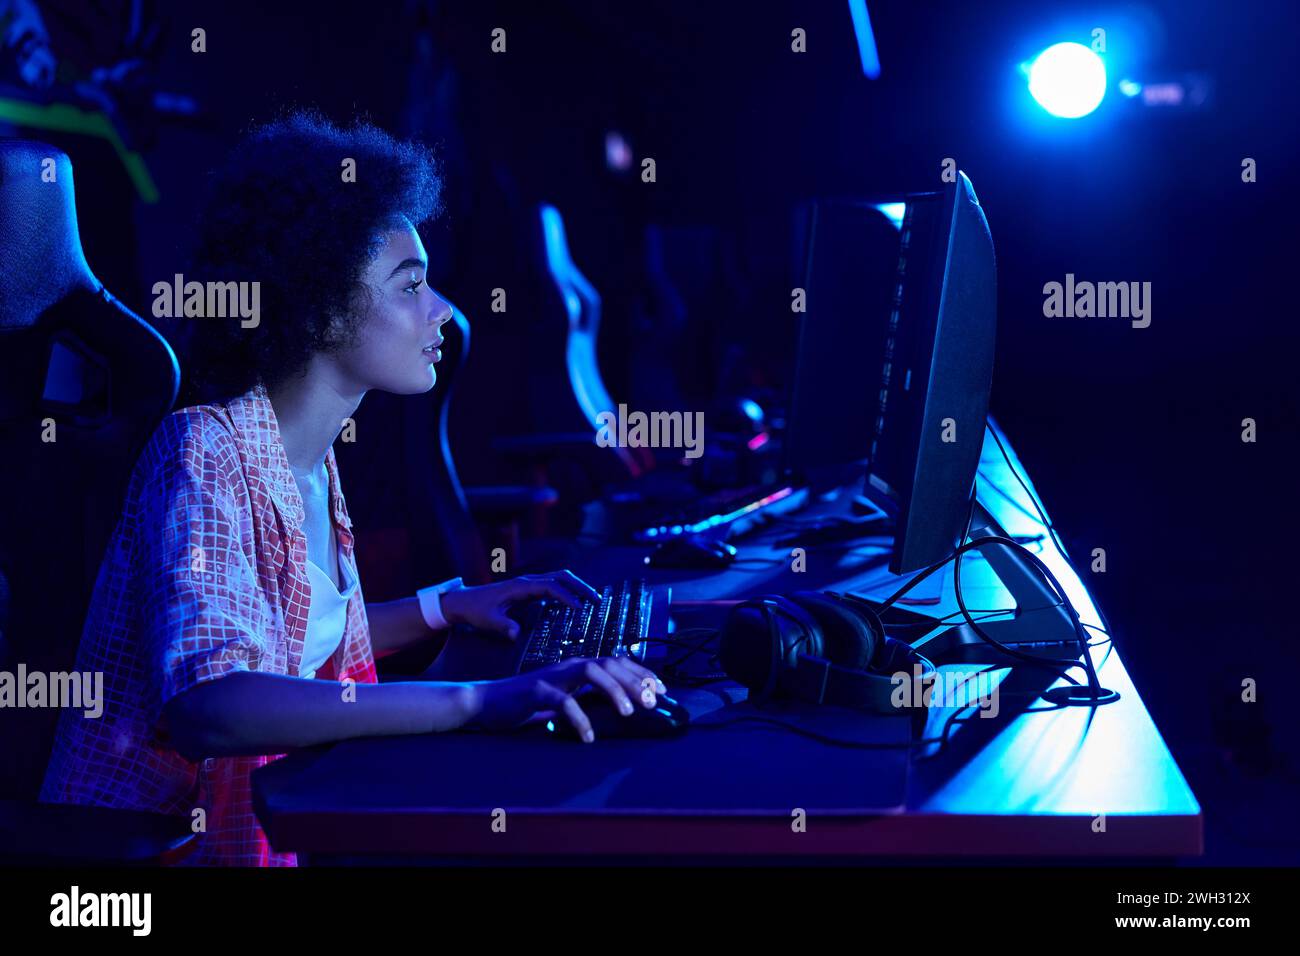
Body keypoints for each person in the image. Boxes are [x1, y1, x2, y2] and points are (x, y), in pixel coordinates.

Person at [40, 111, 664, 866]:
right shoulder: (201, 449)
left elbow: (291, 637)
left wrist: (446, 604)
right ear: (321, 306)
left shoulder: (307, 459)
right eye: (412, 286)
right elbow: (210, 703)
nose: (440, 311)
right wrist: (476, 701)